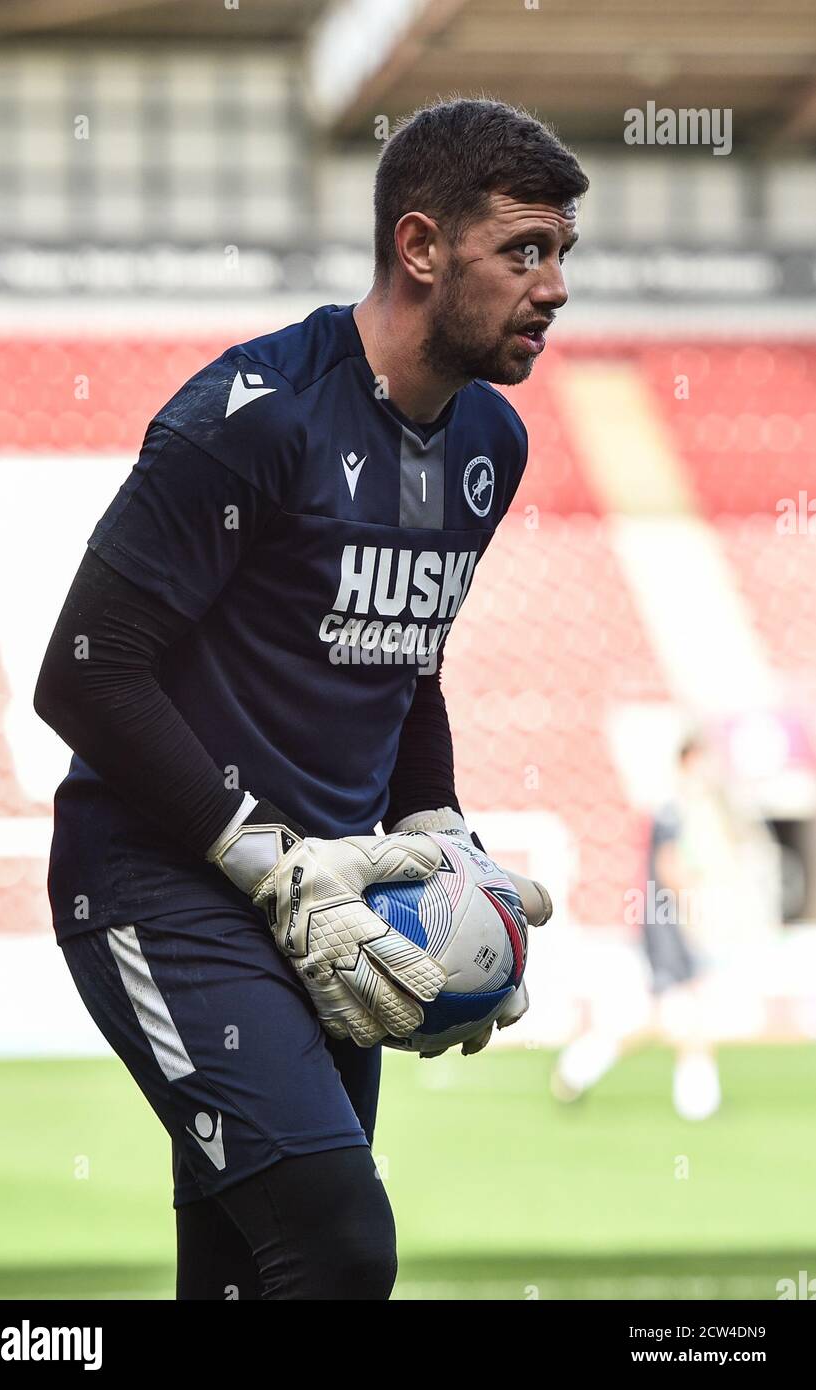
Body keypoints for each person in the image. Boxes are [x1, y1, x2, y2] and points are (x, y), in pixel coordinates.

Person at [34, 97, 587, 1300]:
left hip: (338, 909)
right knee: (335, 1246)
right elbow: (82, 670)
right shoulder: (253, 416)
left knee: (244, 1267)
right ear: (421, 246)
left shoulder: (491, 440)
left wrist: (437, 828)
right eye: (525, 251)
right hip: (164, 884)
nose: (553, 288)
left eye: (562, 256)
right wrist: (268, 864)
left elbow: (410, 658)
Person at [551, 734, 774, 1121]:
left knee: (667, 1012)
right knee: (680, 1008)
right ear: (689, 762)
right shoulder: (673, 810)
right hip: (665, 923)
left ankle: (583, 1068)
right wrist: (694, 907)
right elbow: (669, 869)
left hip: (670, 922)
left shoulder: (691, 809)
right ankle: (696, 1101)